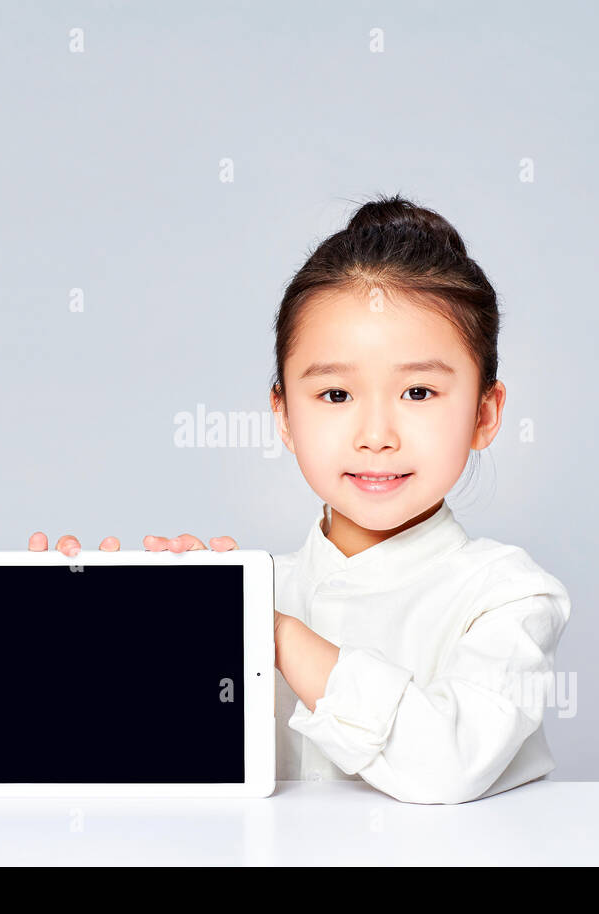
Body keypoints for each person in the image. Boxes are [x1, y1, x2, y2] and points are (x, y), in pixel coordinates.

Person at [30, 193, 571, 805]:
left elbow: (445, 766)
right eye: (335, 395)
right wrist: (93, 638)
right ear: (283, 416)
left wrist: (273, 632)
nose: (375, 436)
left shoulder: (509, 597)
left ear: (484, 413)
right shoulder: (262, 589)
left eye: (418, 392)